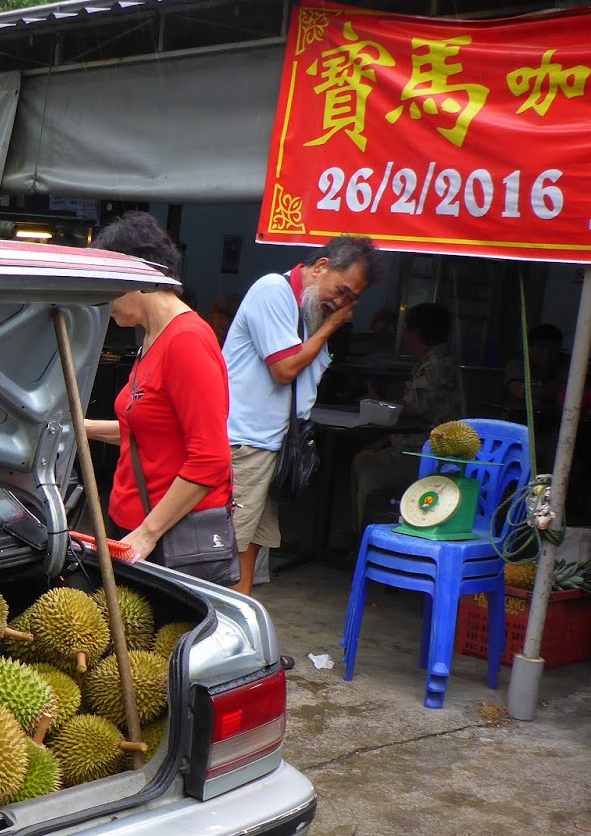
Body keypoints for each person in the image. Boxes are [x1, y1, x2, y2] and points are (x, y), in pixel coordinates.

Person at [82, 212, 235, 582]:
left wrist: (148, 534)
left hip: (167, 540)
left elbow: (211, 459)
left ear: (136, 277)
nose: (105, 301)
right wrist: (82, 428)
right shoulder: (152, 337)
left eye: (108, 286)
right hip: (134, 527)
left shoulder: (187, 342)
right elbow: (148, 429)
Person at [224, 235, 381, 594]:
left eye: (351, 299)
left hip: (272, 447)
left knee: (251, 549)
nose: (341, 303)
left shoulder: (310, 310)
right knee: (230, 551)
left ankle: (240, 619)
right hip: (245, 444)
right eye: (342, 291)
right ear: (322, 266)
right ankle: (223, 622)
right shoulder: (273, 291)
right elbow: (285, 369)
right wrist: (331, 326)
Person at [350, 302, 464, 528]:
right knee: (363, 459)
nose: (402, 335)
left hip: (425, 454)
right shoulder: (432, 363)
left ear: (416, 332)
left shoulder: (437, 366)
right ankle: (361, 531)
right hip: (410, 446)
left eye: (405, 329)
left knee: (369, 471)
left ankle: (365, 534)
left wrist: (377, 403)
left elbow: (413, 409)